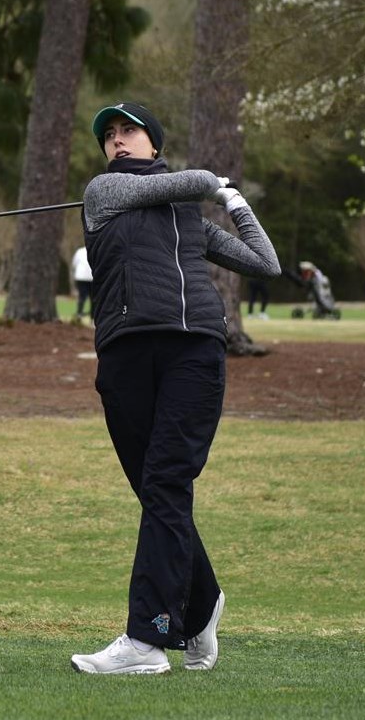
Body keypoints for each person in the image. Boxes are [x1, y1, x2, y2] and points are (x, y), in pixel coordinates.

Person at [71, 101, 280, 676]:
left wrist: (235, 204)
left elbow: (266, 262)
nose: (116, 141)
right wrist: (215, 182)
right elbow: (192, 181)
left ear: (153, 142)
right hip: (125, 357)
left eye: (128, 131)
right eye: (108, 135)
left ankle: (146, 639)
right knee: (157, 492)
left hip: (193, 354)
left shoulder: (190, 219)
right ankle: (203, 604)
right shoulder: (103, 194)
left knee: (165, 484)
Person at [71, 245, 94, 321]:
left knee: (82, 297)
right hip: (91, 277)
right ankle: (92, 317)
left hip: (80, 277)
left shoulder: (79, 251)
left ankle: (79, 314)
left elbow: (74, 264)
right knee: (93, 298)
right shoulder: (95, 249)